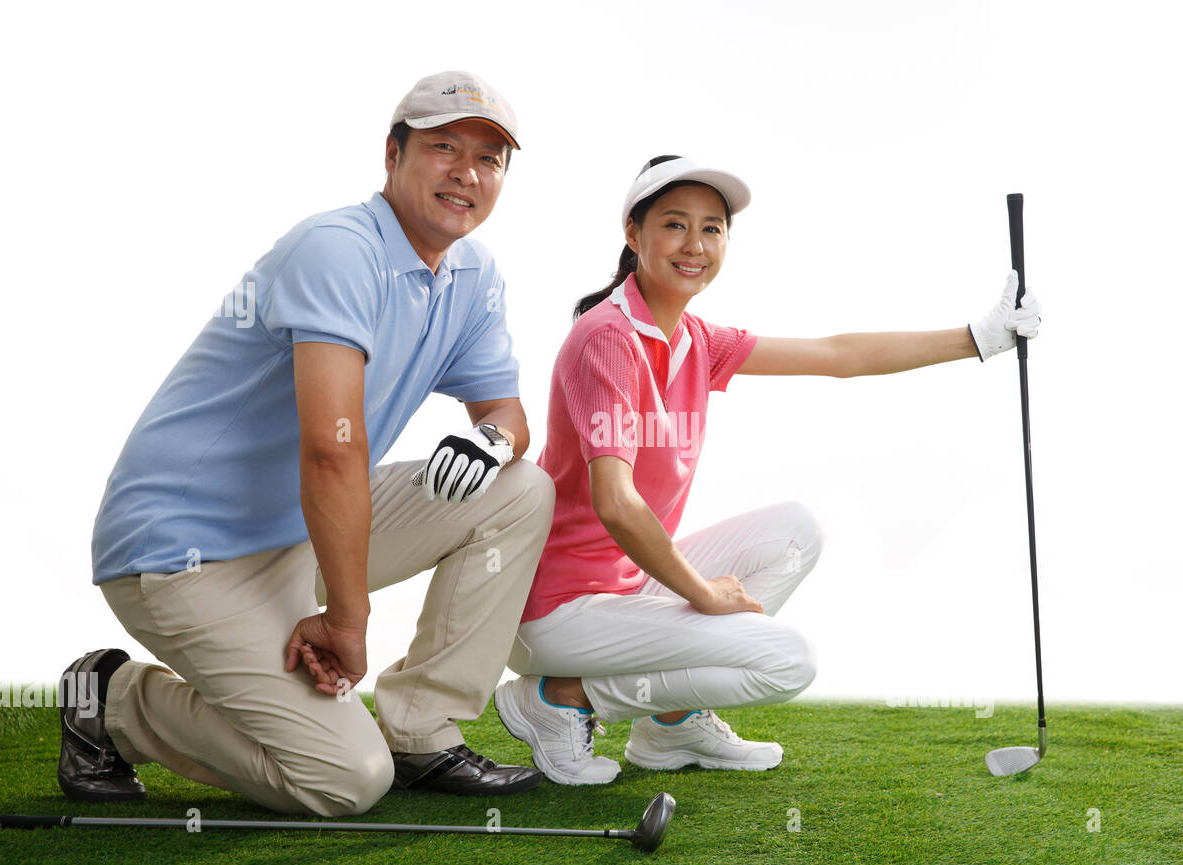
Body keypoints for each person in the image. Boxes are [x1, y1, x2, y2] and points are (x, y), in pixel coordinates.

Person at [67, 72, 555, 817]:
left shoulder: (472, 273)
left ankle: (421, 729)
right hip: (185, 553)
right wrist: (348, 624)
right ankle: (113, 700)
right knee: (346, 782)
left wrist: (490, 439)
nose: (467, 172)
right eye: (444, 147)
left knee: (518, 488)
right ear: (391, 155)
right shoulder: (337, 249)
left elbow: (508, 415)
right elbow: (332, 451)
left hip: (298, 530)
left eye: (489, 159)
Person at [495, 155, 1041, 784]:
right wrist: (702, 594)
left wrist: (980, 336)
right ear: (633, 234)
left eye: (712, 228)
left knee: (795, 530)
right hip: (556, 613)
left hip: (622, 591)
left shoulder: (696, 340)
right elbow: (616, 503)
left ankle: (669, 724)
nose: (695, 245)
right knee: (788, 663)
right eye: (674, 224)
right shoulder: (609, 339)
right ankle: (561, 699)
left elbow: (840, 355)